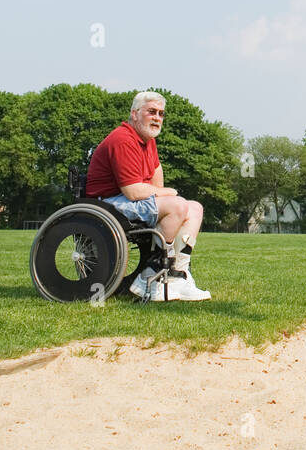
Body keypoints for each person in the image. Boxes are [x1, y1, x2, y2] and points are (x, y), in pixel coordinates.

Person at [85, 91, 211, 301]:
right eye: (151, 112)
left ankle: (178, 276)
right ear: (134, 114)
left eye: (161, 114)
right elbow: (133, 191)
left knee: (195, 207)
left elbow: (155, 172)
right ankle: (148, 277)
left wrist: (164, 198)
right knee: (178, 205)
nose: (157, 118)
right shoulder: (123, 139)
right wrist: (168, 195)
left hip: (124, 200)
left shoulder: (147, 140)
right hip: (107, 203)